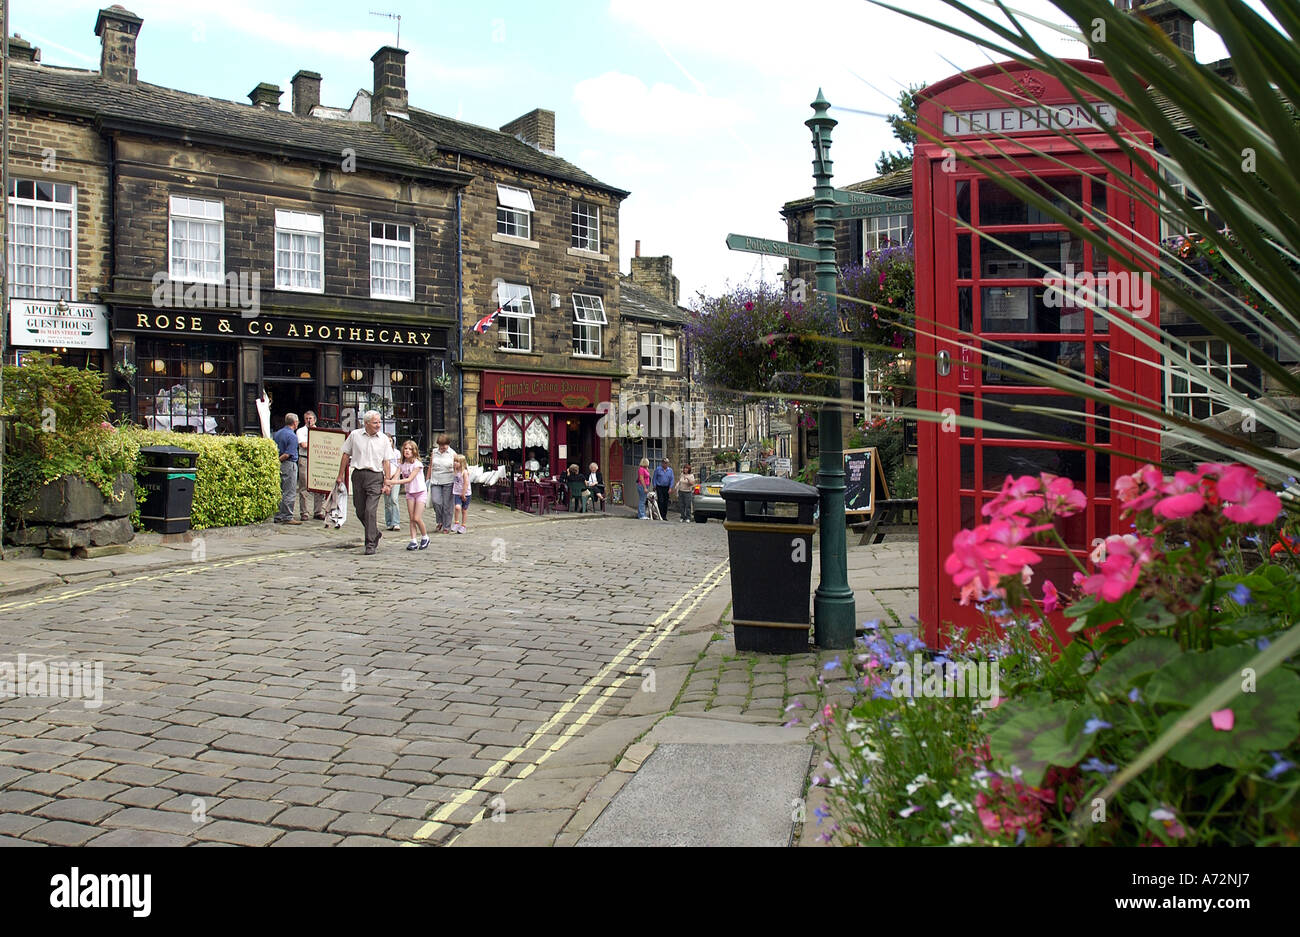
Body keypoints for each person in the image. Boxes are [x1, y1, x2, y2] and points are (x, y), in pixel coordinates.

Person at [337, 410, 398, 555]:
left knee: (370, 511)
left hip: (375, 476)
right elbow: (346, 455)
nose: (378, 425)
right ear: (366, 423)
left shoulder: (383, 439)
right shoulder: (355, 435)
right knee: (360, 510)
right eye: (375, 422)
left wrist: (387, 482)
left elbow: (386, 462)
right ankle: (375, 532)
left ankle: (370, 544)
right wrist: (340, 475)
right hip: (358, 475)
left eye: (379, 422)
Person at [386, 439, 429, 550]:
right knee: (411, 518)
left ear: (414, 451)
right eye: (405, 449)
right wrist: (388, 486)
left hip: (420, 492)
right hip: (410, 493)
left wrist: (393, 482)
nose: (407, 451)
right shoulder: (402, 464)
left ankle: (425, 536)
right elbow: (396, 475)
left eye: (410, 449)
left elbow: (409, 479)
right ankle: (413, 540)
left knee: (417, 517)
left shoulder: (417, 464)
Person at [273, 413, 302, 525]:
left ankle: (278, 514)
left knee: (279, 490)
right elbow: (287, 454)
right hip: (289, 464)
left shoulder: (277, 433)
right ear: (294, 423)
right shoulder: (292, 436)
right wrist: (278, 461)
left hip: (279, 464)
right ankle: (287, 516)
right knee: (289, 491)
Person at [296, 411, 325, 521]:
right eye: (307, 418)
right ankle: (304, 512)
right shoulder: (301, 431)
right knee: (304, 486)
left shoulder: (320, 431)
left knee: (319, 486)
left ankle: (318, 511)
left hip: (317, 460)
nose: (309, 420)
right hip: (305, 458)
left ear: (315, 420)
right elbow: (303, 445)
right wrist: (317, 444)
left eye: (311, 418)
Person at [425, 433, 457, 533]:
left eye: (444, 445)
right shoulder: (434, 452)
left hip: (448, 481)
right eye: (440, 445)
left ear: (448, 444)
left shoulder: (452, 453)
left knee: (447, 505)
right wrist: (427, 480)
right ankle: (439, 521)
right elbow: (430, 466)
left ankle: (446, 526)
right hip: (435, 481)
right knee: (436, 502)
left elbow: (458, 467)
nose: (442, 447)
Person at [383, 433, 402, 531]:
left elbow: (399, 467)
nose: (388, 443)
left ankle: (396, 522)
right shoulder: (381, 452)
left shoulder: (397, 452)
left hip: (395, 478)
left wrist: (394, 479)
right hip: (385, 478)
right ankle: (389, 522)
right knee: (387, 502)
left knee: (394, 499)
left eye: (390, 441)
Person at [451, 454, 472, 533]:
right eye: (454, 461)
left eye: (457, 462)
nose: (455, 463)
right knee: (457, 507)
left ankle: (463, 526)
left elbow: (466, 483)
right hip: (456, 492)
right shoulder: (455, 471)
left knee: (464, 510)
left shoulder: (464, 472)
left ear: (462, 463)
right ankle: (456, 523)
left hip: (466, 493)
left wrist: (463, 493)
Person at [653, 457, 675, 523]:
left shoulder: (670, 470)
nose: (665, 464)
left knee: (665, 501)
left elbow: (672, 479)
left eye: (666, 463)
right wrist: (654, 485)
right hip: (659, 486)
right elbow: (654, 478)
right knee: (660, 501)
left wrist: (670, 488)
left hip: (666, 487)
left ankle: (664, 515)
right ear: (662, 463)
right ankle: (660, 515)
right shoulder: (658, 469)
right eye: (664, 463)